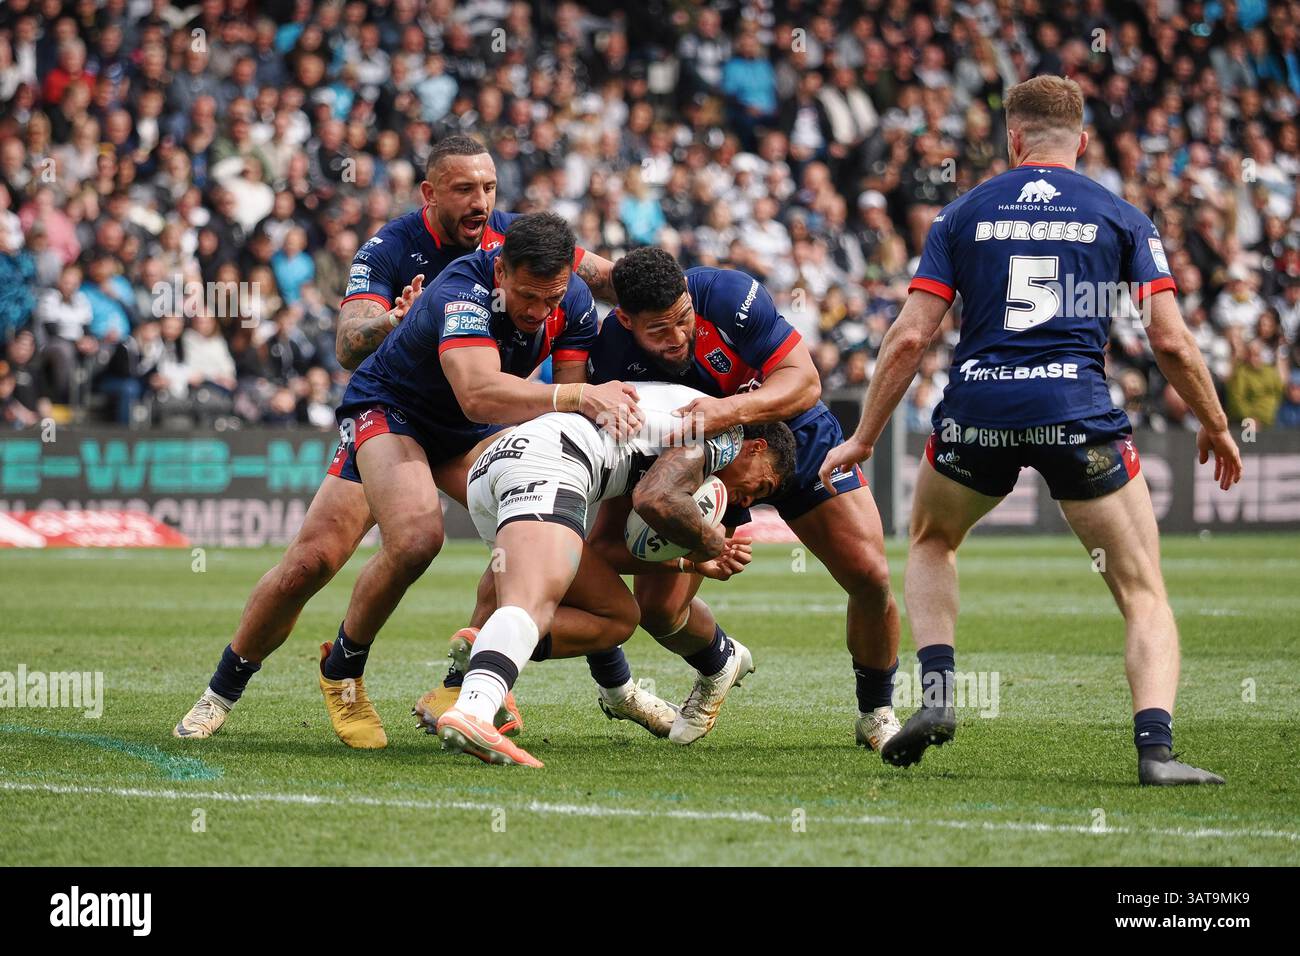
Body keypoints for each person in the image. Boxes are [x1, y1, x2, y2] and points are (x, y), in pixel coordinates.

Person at [820, 75, 1243, 786]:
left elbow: (907, 339)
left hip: (979, 411)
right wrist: (1218, 423)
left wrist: (863, 436)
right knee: (1142, 592)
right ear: (1081, 140)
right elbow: (1168, 340)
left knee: (931, 540)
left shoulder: (961, 216)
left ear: (1012, 140)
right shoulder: (1122, 217)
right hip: (1077, 415)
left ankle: (941, 695)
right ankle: (1155, 753)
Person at [173, 214, 640, 748]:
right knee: (343, 555)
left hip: (466, 432)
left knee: (530, 526)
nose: (538, 313)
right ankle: (289, 681)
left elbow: (570, 405)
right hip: (392, 410)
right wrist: (577, 397)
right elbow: (480, 392)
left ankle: (461, 686)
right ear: (502, 272)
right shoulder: (462, 286)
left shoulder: (572, 298)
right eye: (527, 297)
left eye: (550, 298)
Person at [439, 381, 796, 766]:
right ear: (756, 447)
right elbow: (656, 498)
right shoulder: (723, 433)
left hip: (496, 467)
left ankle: (479, 660)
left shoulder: (672, 412)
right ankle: (474, 708)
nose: (746, 501)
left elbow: (608, 551)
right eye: (761, 486)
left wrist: (690, 563)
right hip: (550, 462)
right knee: (532, 604)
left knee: (616, 616)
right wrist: (709, 543)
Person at [332, 134, 617, 371]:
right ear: (430, 194)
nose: (481, 203)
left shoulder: (517, 237)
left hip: (489, 406)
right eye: (464, 189)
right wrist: (395, 319)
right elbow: (346, 348)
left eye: (489, 188)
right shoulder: (388, 248)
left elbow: (608, 279)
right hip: (410, 408)